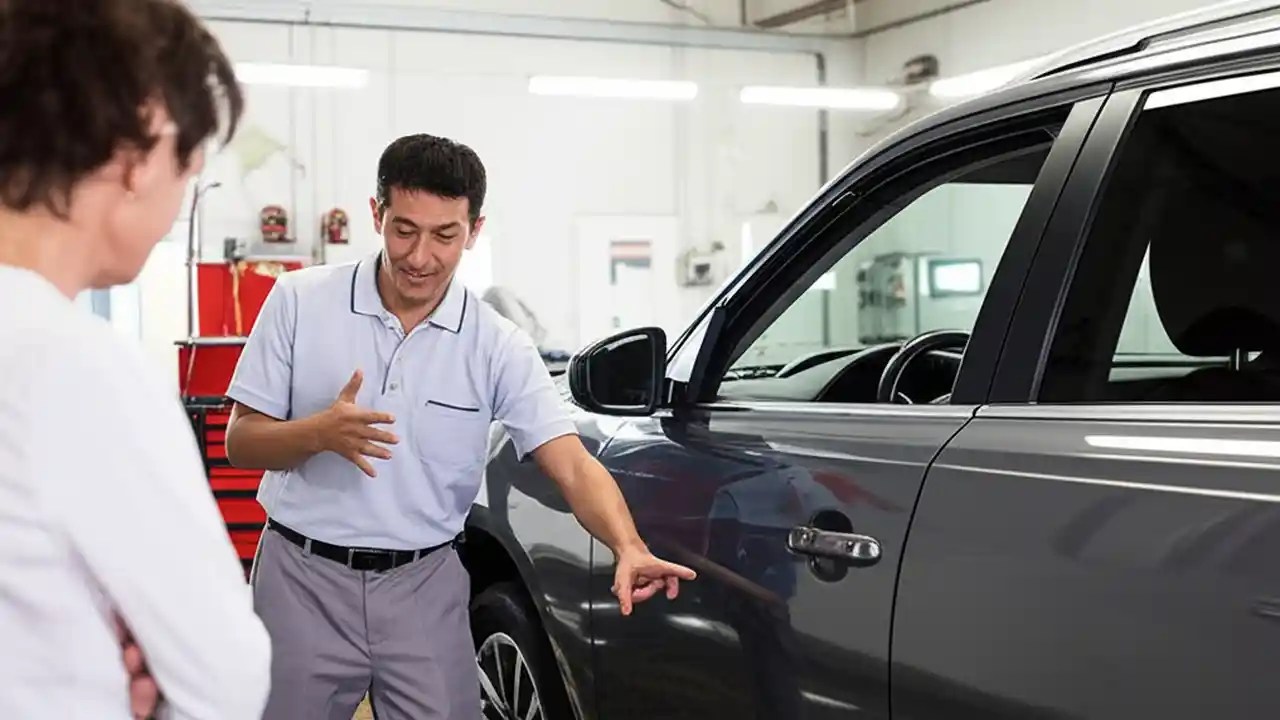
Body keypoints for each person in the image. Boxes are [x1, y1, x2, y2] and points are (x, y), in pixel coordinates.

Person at [224, 133, 697, 718]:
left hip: (424, 589)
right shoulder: (299, 301)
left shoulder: (496, 345)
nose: (420, 256)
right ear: (377, 214)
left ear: (474, 230)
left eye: (445, 235)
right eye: (404, 229)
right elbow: (240, 442)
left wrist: (628, 545)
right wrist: (318, 434)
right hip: (301, 583)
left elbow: (571, 462)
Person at [0, 1, 272, 718]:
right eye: (189, 165)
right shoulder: (72, 367)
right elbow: (225, 679)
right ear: (142, 146)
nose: (181, 198)